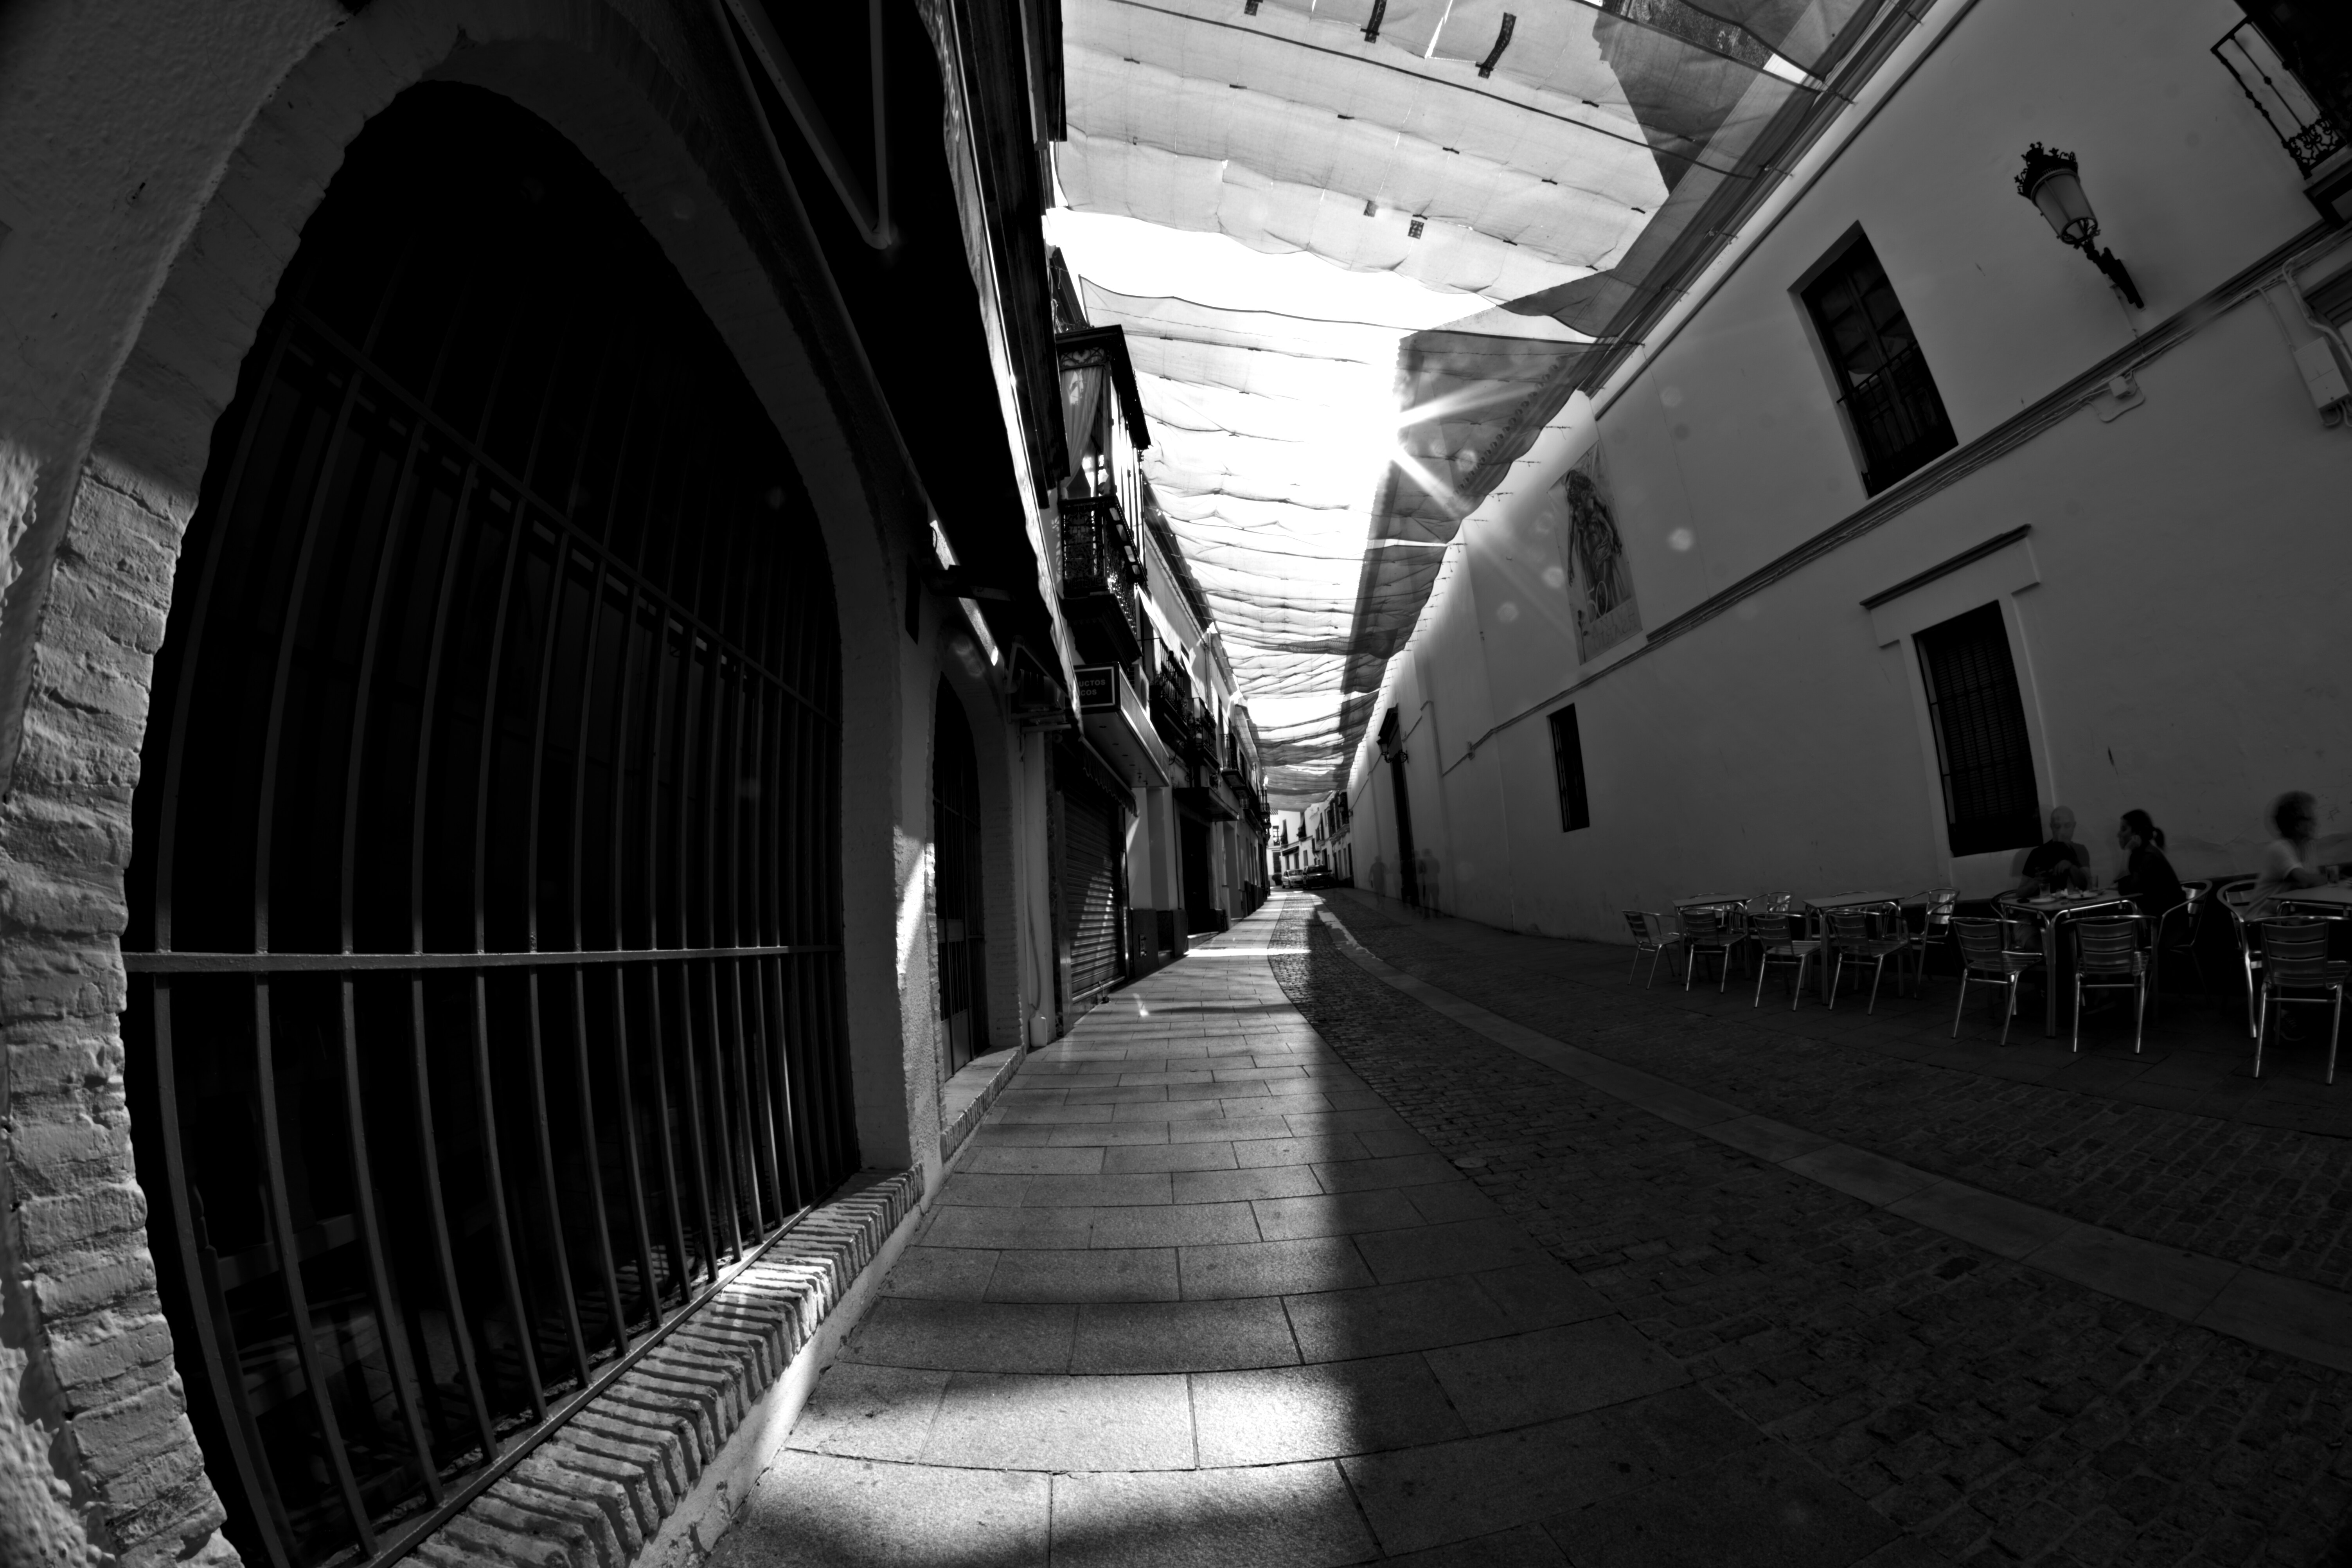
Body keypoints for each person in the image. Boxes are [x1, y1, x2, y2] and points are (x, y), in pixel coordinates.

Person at [2246, 791, 2330, 919]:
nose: (2315, 823)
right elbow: (2305, 881)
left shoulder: (2308, 846)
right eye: (2310, 819)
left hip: (2288, 918)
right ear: (2296, 824)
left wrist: (2318, 880)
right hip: (2262, 922)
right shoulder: (2280, 848)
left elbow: (2311, 883)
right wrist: (2332, 878)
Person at [2113, 810, 2184, 922]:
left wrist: (2126, 852)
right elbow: (2124, 889)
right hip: (2156, 919)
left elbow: (2127, 890)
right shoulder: (2139, 854)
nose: (2118, 834)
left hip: (2168, 925)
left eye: (2123, 829)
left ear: (2136, 833)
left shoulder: (2149, 856)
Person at [2019, 807, 2091, 894]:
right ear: (2052, 827)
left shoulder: (2080, 850)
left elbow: (2088, 887)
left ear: (2074, 826)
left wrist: (2071, 867)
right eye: (2058, 827)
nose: (2062, 831)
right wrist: (2036, 882)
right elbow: (2020, 893)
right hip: (2047, 906)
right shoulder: (2038, 853)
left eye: (2067, 826)